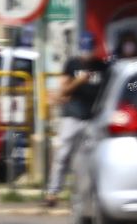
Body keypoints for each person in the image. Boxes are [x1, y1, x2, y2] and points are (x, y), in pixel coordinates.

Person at [46, 33, 109, 206]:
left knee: (91, 158)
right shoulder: (72, 64)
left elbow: (118, 84)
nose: (87, 54)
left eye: (90, 50)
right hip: (73, 116)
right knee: (63, 155)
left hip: (94, 118)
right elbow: (63, 91)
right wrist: (79, 81)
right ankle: (53, 193)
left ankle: (89, 196)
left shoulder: (102, 67)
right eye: (84, 50)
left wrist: (134, 85)